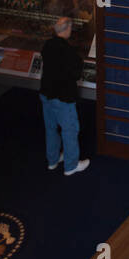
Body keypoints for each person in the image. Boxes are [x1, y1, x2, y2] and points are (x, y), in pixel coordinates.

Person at [39, 15, 89, 176]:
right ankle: (71, 165)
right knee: (69, 129)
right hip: (63, 97)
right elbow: (75, 73)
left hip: (46, 93)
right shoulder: (68, 51)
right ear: (67, 30)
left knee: (50, 128)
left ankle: (53, 160)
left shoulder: (47, 45)